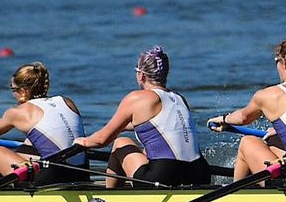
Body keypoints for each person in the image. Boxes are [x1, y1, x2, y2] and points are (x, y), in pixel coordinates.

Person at [207, 32, 286, 184]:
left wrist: (224, 119)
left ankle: (235, 199)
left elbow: (243, 117)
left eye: (276, 61)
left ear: (285, 63)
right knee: (274, 141)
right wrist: (279, 131)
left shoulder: (269, 95)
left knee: (247, 143)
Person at [75, 46, 210, 188]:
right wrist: (121, 127)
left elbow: (101, 140)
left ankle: (109, 201)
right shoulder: (179, 99)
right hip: (200, 173)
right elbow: (159, 127)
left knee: (121, 143)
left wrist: (82, 142)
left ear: (142, 75)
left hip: (165, 176)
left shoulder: (137, 98)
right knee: (148, 149)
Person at [0, 61, 90, 186]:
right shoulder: (67, 101)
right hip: (83, 172)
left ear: (23, 91)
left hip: (53, 178)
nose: (13, 94)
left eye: (13, 89)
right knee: (23, 150)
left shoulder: (19, 112)